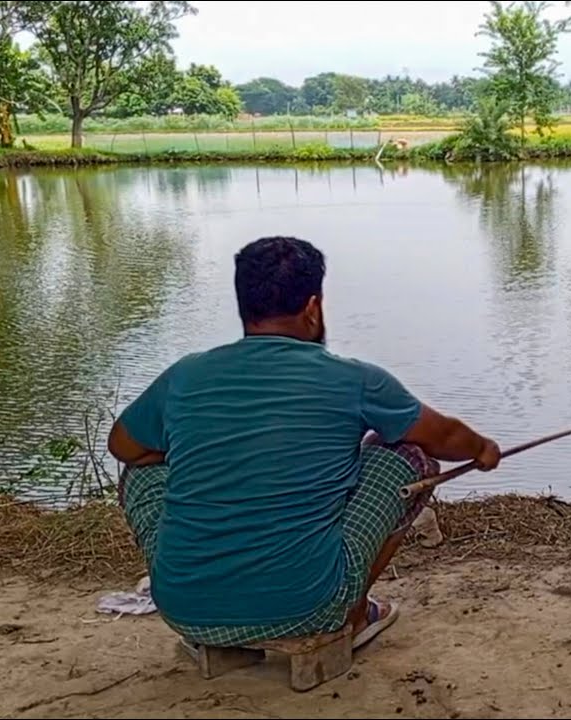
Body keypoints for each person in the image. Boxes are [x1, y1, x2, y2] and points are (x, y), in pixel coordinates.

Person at [107, 236, 501, 652]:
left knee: (142, 471)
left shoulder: (185, 376)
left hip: (186, 612)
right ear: (313, 308)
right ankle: (349, 611)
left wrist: (204, 451)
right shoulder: (355, 380)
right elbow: (443, 438)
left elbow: (124, 446)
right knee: (411, 456)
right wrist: (482, 449)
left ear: (245, 306)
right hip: (308, 608)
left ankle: (212, 598)